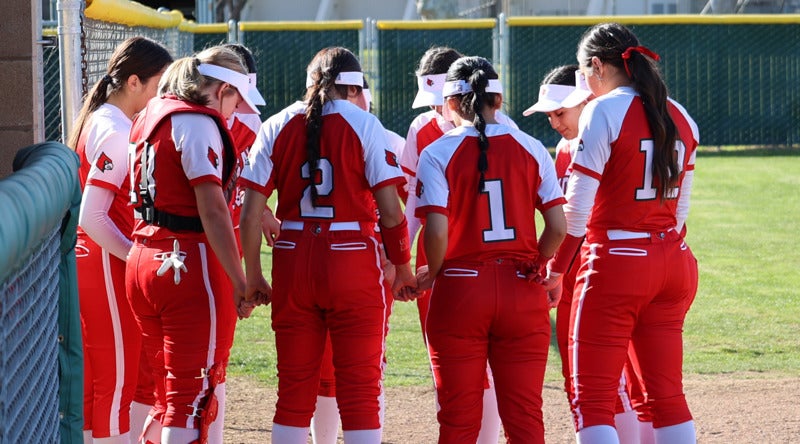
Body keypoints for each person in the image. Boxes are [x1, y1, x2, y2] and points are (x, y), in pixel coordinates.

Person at [238, 46, 417, 444]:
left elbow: (249, 215)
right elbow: (391, 212)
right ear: (352, 88)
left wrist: (253, 274)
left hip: (293, 254)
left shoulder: (276, 124)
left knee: (294, 393)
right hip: (351, 255)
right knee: (359, 393)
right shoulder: (364, 124)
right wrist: (402, 265)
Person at [546, 22, 699, 444]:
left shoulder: (603, 110)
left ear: (596, 65)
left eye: (583, 74)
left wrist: (558, 270)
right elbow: (680, 214)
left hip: (617, 262)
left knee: (592, 399)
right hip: (673, 262)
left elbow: (576, 214)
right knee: (667, 397)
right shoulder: (682, 115)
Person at [413, 55, 566, 443]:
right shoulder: (531, 147)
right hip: (520, 287)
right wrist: (539, 262)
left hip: (461, 290)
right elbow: (558, 226)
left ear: (449, 105)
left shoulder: (437, 152)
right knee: (525, 420)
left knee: (458, 421)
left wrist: (433, 269)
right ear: (498, 101)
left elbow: (435, 230)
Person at [125, 45, 261, 444]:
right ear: (222, 90)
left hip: (144, 255)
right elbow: (214, 211)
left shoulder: (149, 114)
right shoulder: (197, 122)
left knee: (167, 397)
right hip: (184, 262)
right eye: (236, 98)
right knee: (192, 399)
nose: (236, 111)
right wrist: (240, 281)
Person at [526, 64, 649, 444]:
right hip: (577, 277)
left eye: (560, 112)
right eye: (548, 115)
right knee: (593, 382)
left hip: (602, 272)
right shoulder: (564, 150)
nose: (554, 122)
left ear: (588, 100)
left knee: (611, 382)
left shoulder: (605, 139)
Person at [399, 46, 507, 443]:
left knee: (489, 364)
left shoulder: (501, 128)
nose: (436, 111)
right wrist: (398, 258)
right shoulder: (423, 127)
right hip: (442, 255)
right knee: (449, 364)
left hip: (474, 256)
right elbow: (412, 201)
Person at [68, 36, 172, 444]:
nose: (162, 95)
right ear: (133, 82)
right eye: (157, 84)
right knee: (117, 383)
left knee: (105, 383)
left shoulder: (111, 122)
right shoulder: (114, 129)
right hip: (104, 260)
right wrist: (136, 257)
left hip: (100, 258)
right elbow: (92, 216)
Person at [309, 78, 404, 444]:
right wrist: (399, 259)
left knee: (318, 370)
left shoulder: (293, 128)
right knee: (361, 371)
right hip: (363, 262)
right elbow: (399, 213)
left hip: (311, 258)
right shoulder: (382, 136)